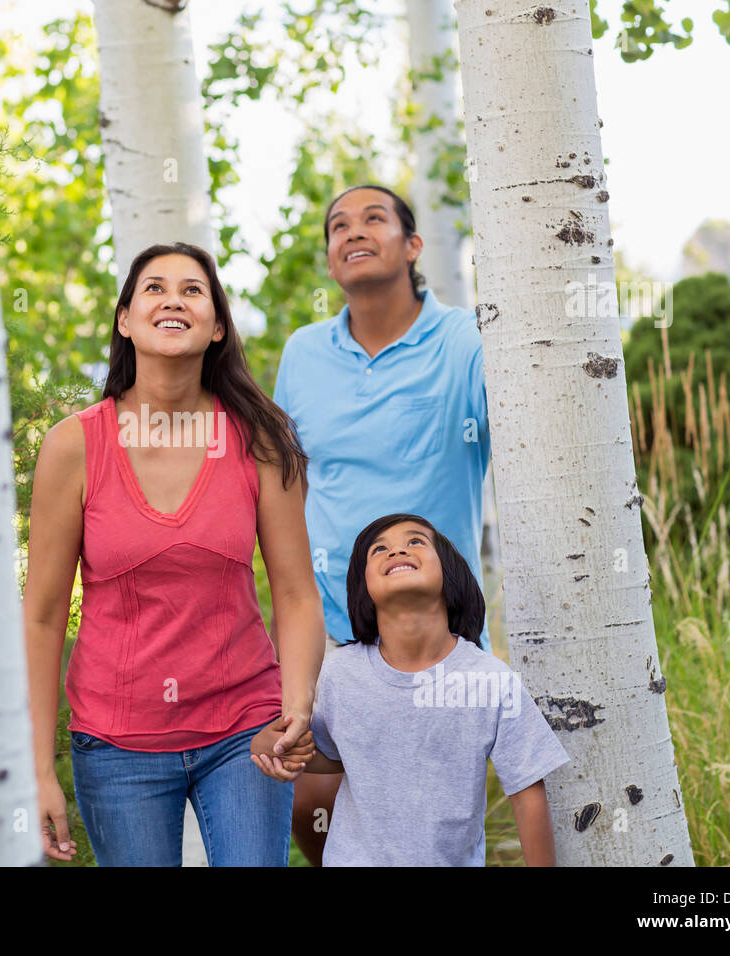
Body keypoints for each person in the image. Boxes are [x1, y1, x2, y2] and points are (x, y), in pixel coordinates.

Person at [22, 241, 325, 866]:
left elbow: (296, 594)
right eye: (154, 288)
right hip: (117, 742)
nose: (173, 300)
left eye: (193, 290)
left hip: (244, 729)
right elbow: (43, 616)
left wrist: (295, 710)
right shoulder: (73, 446)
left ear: (217, 327)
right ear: (124, 320)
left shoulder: (260, 440)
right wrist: (37, 769)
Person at [271, 183, 493, 864]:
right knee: (311, 807)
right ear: (332, 261)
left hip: (430, 627)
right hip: (329, 626)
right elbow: (283, 481)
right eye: (338, 225)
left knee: (426, 824)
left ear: (413, 245)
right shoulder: (304, 354)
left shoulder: (466, 339)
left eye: (373, 218)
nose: (353, 231)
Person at [253, 514, 567, 866]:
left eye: (416, 541)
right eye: (379, 549)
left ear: (451, 575)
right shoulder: (340, 673)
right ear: (363, 588)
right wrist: (274, 745)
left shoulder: (491, 680)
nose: (397, 549)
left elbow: (527, 794)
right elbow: (325, 753)